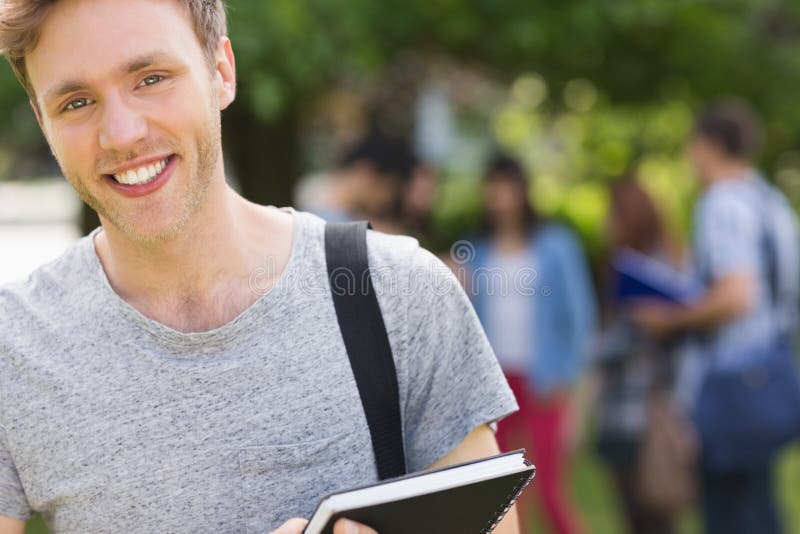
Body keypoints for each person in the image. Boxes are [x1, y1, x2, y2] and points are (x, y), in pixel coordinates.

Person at [0, 1, 521, 533]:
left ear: (221, 72)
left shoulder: (402, 296)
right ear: (43, 122)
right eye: (76, 101)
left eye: (151, 78)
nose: (121, 133)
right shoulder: (12, 347)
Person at [633, 102, 800, 534]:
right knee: (761, 505)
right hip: (772, 373)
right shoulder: (770, 202)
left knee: (729, 512)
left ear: (710, 146)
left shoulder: (723, 204)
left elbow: (737, 294)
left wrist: (670, 318)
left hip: (730, 384)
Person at [462, 154, 597, 534]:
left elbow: (579, 316)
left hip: (543, 379)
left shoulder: (555, 246)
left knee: (552, 491)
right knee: (501, 496)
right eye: (493, 188)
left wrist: (568, 376)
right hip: (496, 382)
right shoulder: (477, 250)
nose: (500, 197)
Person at [592, 179, 687, 534]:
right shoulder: (628, 267)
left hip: (644, 417)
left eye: (611, 215)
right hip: (624, 414)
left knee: (652, 517)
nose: (605, 225)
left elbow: (620, 345)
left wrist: (593, 347)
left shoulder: (658, 268)